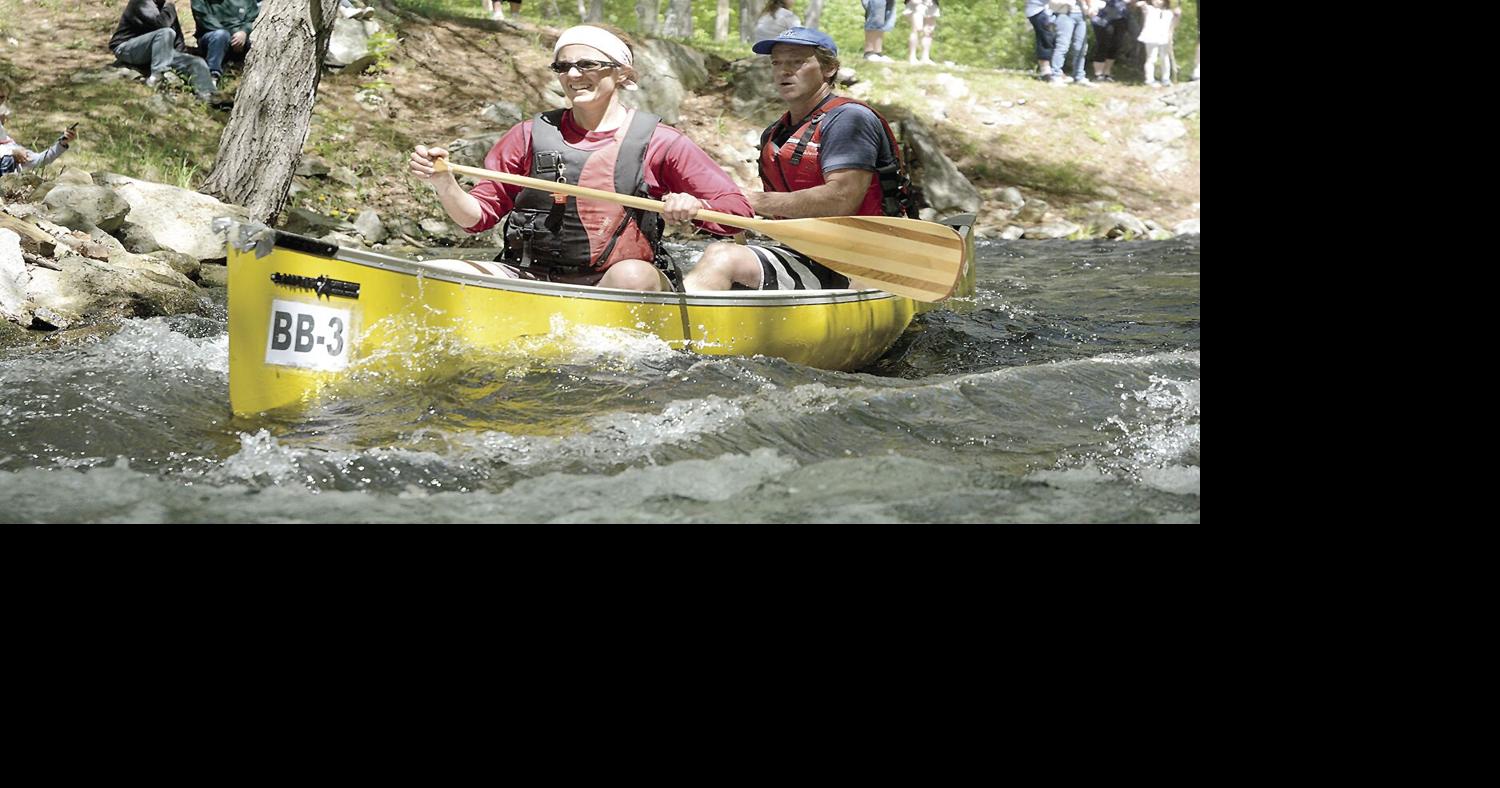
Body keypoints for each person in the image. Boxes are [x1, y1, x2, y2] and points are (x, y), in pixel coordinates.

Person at [407, 25, 752, 291]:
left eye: (587, 65)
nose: (572, 75)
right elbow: (475, 219)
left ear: (623, 73)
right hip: (529, 276)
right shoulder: (527, 134)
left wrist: (693, 207)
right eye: (563, 66)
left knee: (632, 275)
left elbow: (738, 213)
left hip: (618, 282)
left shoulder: (662, 142)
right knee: (439, 272)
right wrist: (444, 183)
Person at [684, 27, 915, 293]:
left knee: (722, 258)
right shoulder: (775, 132)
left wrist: (752, 201)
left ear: (829, 69)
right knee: (718, 254)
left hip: (868, 255)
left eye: (797, 62)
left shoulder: (849, 120)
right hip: (808, 253)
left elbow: (842, 198)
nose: (784, 71)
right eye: (777, 63)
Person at [109, 0, 216, 103]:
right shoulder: (142, 2)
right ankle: (157, 78)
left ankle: (208, 95)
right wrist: (169, 7)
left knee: (197, 62)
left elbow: (178, 40)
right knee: (166, 33)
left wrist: (184, 56)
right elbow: (161, 25)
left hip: (157, 52)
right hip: (125, 47)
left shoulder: (166, 6)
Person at [0, 87, 77, 176]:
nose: (2, 102)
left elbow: (39, 160)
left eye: (3, 97)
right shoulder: (10, 152)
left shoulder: (10, 146)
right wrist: (12, 153)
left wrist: (62, 143)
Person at [190, 0, 259, 87]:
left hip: (241, 37)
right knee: (221, 35)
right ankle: (212, 77)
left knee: (258, 40)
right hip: (212, 37)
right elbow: (204, 18)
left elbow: (253, 18)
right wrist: (233, 38)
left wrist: (244, 32)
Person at [1047, 0, 1092, 85]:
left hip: (1081, 15)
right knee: (1062, 47)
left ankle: (1079, 77)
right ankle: (1056, 76)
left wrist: (1091, 7)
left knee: (1081, 48)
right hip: (1065, 15)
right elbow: (1051, 2)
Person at [1088, 0, 1129, 82]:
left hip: (1120, 15)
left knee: (1115, 44)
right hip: (1101, 16)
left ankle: (1107, 73)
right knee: (1103, 44)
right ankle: (1098, 74)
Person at [1136, 0, 1174, 86]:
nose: (1157, 1)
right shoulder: (1149, 9)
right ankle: (1149, 79)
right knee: (1151, 58)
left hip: (1164, 37)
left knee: (1165, 58)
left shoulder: (1169, 12)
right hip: (1151, 37)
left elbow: (1173, 25)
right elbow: (1140, 5)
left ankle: (1166, 78)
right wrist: (1142, 4)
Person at [1023, 0, 1056, 79]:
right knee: (1045, 39)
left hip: (1043, 11)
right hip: (1038, 10)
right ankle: (1045, 71)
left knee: (1048, 39)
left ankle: (1049, 70)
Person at [904, 0, 939, 65]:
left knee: (929, 31)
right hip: (916, 3)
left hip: (932, 3)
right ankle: (912, 57)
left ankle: (925, 57)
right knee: (916, 29)